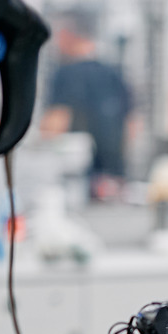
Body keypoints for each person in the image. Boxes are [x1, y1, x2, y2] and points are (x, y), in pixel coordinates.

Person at [40, 12, 133, 200]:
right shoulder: (115, 73)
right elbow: (132, 126)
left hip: (79, 184)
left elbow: (56, 123)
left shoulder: (65, 75)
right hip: (115, 180)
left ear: (69, 36)